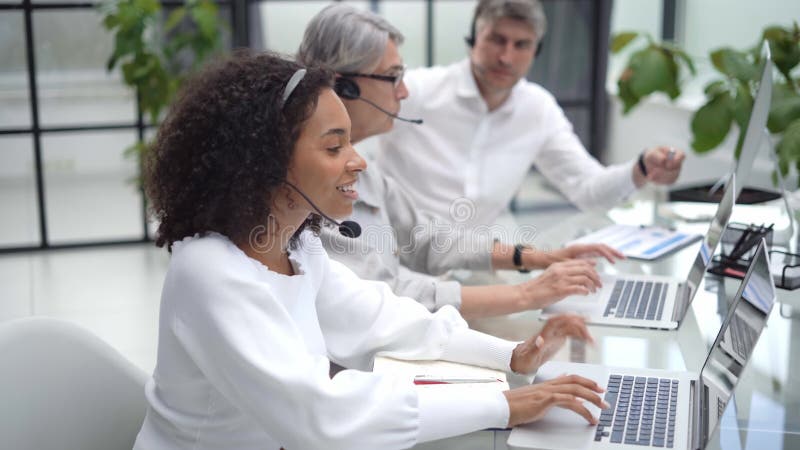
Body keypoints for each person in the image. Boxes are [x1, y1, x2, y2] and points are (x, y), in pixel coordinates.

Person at [133, 51, 608, 449]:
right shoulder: (211, 272)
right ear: (267, 160)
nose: (358, 161)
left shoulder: (298, 246)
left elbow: (381, 319)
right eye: (335, 147)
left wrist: (509, 355)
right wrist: (502, 405)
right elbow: (321, 415)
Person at [297, 4, 624, 318]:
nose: (404, 92)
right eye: (393, 77)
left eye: (521, 44)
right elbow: (383, 296)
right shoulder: (307, 179)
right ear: (345, 86)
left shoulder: (362, 173)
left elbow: (427, 240)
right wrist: (526, 294)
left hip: (426, 302)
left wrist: (541, 258)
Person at [376, 0, 687, 229]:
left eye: (521, 45)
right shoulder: (418, 90)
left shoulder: (538, 109)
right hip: (397, 257)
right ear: (474, 39)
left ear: (536, 51)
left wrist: (641, 168)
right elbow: (347, 130)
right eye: (496, 40)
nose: (506, 57)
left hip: (474, 264)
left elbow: (588, 189)